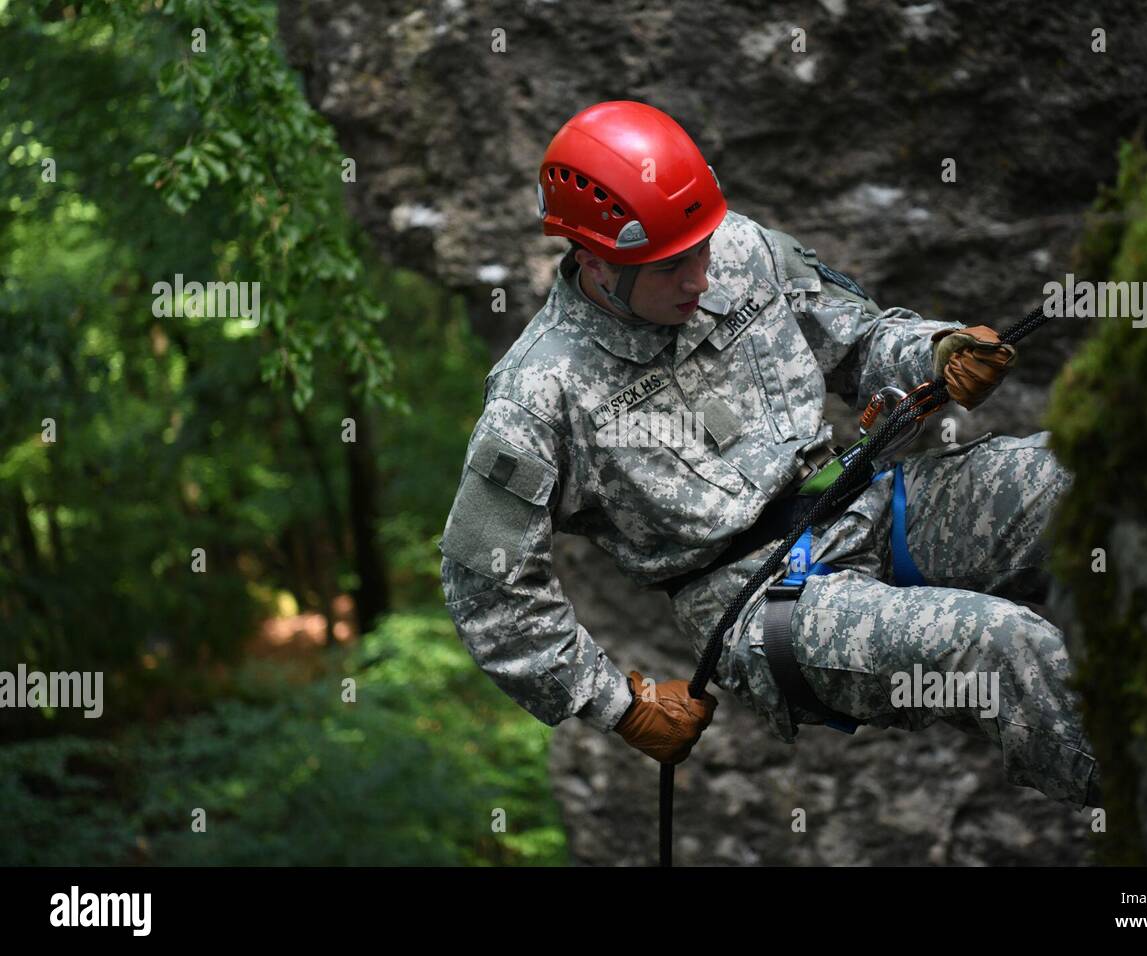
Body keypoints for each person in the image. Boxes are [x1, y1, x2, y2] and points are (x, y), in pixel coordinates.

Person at [438, 100, 1101, 809]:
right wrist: (613, 703)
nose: (699, 276)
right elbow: (485, 585)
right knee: (1001, 645)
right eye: (669, 267)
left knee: (1089, 479)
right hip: (763, 601)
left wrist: (934, 352)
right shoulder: (540, 394)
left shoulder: (739, 250)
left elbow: (861, 340)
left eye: (702, 248)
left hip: (868, 502)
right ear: (594, 259)